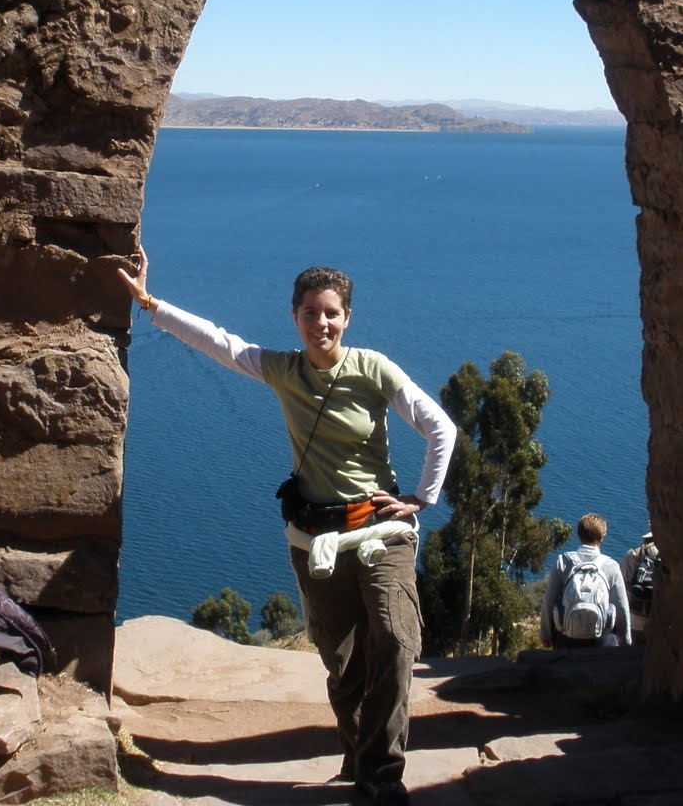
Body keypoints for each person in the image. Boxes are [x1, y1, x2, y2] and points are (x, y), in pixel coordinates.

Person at [118, 247, 455, 806]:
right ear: (294, 316)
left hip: (379, 532)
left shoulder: (374, 369)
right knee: (342, 662)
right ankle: (359, 749)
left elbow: (439, 427)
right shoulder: (282, 369)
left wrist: (420, 497)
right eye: (309, 312)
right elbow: (220, 343)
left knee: (397, 642)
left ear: (347, 318)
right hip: (314, 540)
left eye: (330, 313)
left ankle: (382, 775)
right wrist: (151, 303)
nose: (320, 323)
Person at [539, 512, 631, 649]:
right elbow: (622, 607)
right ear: (603, 536)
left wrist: (545, 636)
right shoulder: (611, 566)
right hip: (601, 641)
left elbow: (548, 602)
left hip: (566, 638)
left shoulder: (563, 562)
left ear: (578, 535)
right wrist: (625, 639)